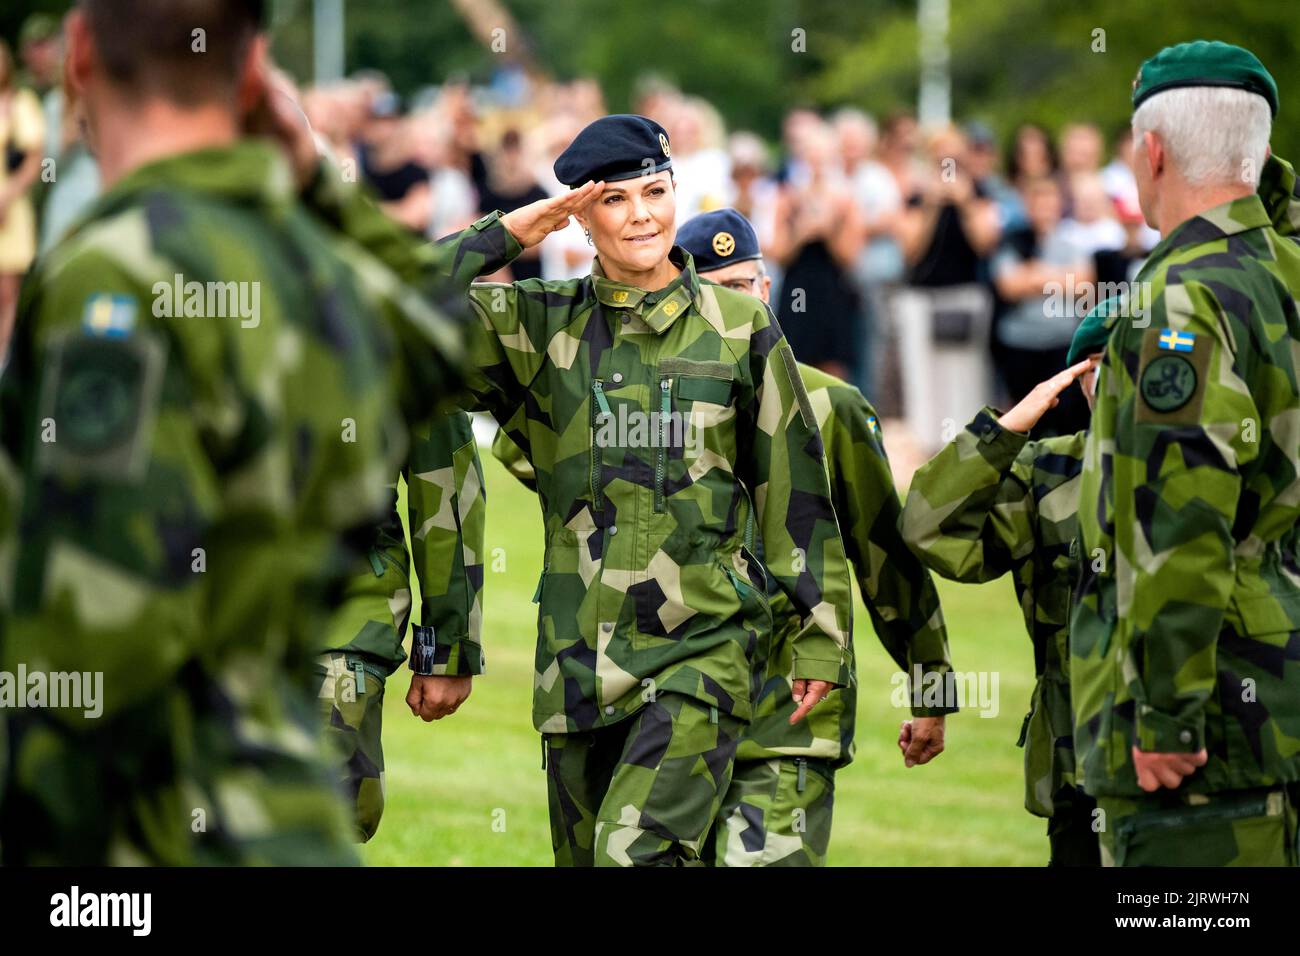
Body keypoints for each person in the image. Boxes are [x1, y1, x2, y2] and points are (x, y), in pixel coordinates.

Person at [0, 0, 465, 865]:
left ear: (78, 65)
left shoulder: (116, 273)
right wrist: (315, 179)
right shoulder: (320, 265)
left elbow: (99, 625)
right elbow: (443, 331)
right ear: (255, 76)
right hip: (289, 813)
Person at [348, 113, 855, 866]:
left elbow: (795, 492)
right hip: (577, 670)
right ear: (580, 219)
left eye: (655, 192)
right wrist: (506, 234)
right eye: (614, 201)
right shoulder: (536, 327)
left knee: (634, 854)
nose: (642, 215)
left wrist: (822, 639)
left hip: (701, 656)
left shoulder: (740, 327)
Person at [494, 208, 954, 865]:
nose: (747, 301)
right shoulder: (629, 411)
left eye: (754, 284)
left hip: (787, 708)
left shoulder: (831, 408)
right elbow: (550, 468)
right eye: (725, 288)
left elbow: (887, 557)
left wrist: (930, 686)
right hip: (668, 690)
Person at [1073, 41, 1300, 866]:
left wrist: (1167, 715)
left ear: (1152, 151)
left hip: (1211, 733)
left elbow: (1184, 514)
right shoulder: (1285, 271)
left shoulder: (1179, 295)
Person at [903, 300, 1119, 867]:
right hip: (1080, 768)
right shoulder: (1048, 475)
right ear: (1082, 383)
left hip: (1192, 760)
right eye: (1102, 368)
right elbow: (928, 525)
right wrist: (1005, 429)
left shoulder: (1214, 464)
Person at [317, 411, 485, 842]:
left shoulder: (401, 344)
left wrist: (446, 652)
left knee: (323, 820)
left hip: (338, 621)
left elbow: (444, 482)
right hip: (201, 622)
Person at [0, 38, 46, 358]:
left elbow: (35, 158)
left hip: (8, 207)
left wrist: (7, 196)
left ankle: (4, 356)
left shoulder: (21, 103)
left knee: (6, 289)